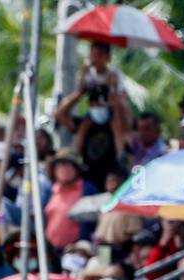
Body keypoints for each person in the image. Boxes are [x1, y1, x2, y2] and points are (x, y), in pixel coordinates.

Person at [54, 41, 132, 189]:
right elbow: (59, 114)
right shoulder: (87, 122)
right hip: (88, 181)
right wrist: (78, 93)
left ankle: (119, 158)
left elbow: (127, 122)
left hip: (113, 182)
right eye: (93, 54)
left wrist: (113, 93)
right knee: (83, 127)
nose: (95, 58)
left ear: (108, 57)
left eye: (99, 54)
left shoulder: (117, 122)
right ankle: (77, 160)